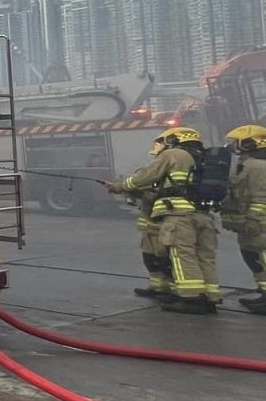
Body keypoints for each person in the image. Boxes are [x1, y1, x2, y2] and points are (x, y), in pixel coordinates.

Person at [109, 127, 219, 314]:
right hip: (203, 215)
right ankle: (210, 297)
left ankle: (191, 299)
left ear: (175, 139)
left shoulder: (173, 154)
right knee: (204, 257)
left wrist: (119, 186)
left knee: (183, 256)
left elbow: (145, 177)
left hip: (180, 215)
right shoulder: (205, 157)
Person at [221, 124, 266, 314]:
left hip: (260, 224)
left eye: (236, 143)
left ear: (249, 143)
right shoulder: (248, 164)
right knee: (253, 257)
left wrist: (254, 219)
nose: (232, 147)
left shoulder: (258, 166)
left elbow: (262, 195)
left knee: (261, 258)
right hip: (250, 223)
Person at [130, 134, 173, 300]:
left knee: (163, 259)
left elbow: (153, 196)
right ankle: (156, 287)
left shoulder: (167, 175)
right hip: (150, 227)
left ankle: (170, 290)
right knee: (150, 258)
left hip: (160, 226)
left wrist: (137, 189)